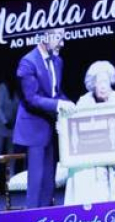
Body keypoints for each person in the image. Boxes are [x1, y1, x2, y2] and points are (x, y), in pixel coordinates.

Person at [13, 27, 76, 208]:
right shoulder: (27, 62)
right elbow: (31, 98)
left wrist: (72, 104)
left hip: (52, 126)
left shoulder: (58, 61)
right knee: (37, 179)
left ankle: (47, 219)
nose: (62, 44)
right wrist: (59, 105)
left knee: (49, 178)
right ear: (45, 37)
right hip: (34, 127)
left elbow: (56, 93)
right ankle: (31, 218)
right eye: (59, 38)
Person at [65, 61, 115, 205]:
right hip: (89, 156)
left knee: (104, 167)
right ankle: (84, 209)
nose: (102, 86)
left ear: (111, 82)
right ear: (92, 84)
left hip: (113, 157)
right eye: (98, 82)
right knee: (80, 171)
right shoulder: (84, 101)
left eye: (106, 82)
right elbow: (76, 131)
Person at [0, 70, 21, 184]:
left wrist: (15, 121)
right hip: (0, 126)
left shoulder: (17, 91)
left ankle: (10, 181)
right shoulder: (2, 87)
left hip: (11, 127)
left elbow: (18, 108)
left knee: (11, 154)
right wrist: (6, 122)